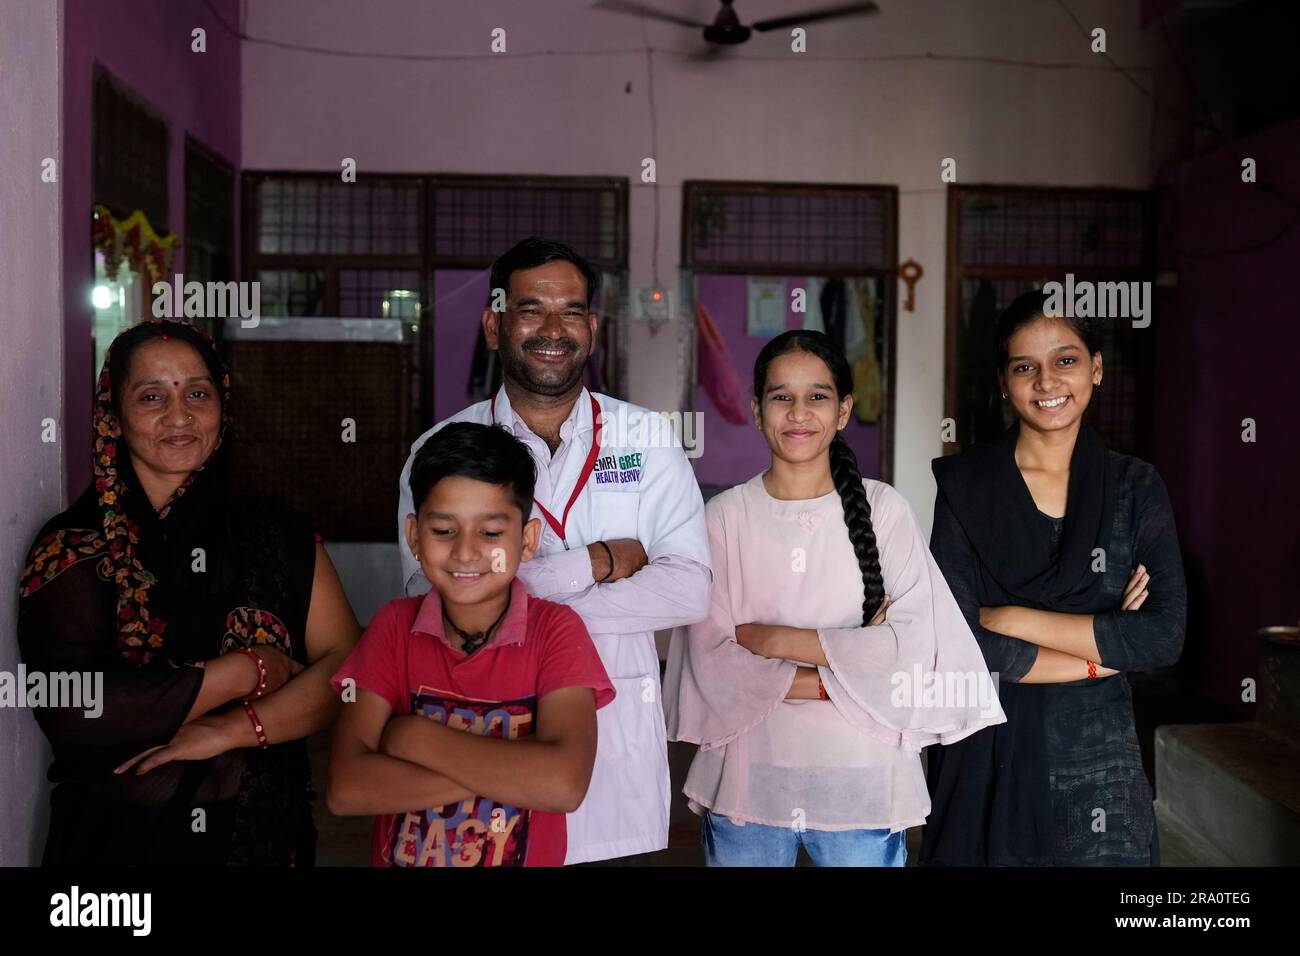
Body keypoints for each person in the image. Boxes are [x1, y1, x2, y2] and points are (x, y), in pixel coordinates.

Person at [396, 237, 711, 864]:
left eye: (570, 311)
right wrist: (598, 562)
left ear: (591, 329)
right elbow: (426, 600)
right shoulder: (441, 447)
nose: (552, 329)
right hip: (479, 745)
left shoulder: (646, 438)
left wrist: (531, 597)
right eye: (530, 308)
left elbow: (688, 589)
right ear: (494, 323)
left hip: (613, 759)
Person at [17, 320, 360, 866]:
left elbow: (350, 672)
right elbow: (71, 708)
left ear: (222, 407)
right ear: (113, 412)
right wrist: (247, 671)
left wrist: (229, 731)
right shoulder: (72, 550)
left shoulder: (278, 535)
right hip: (115, 854)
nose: (179, 417)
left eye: (197, 393)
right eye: (152, 396)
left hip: (261, 839)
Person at [664, 330, 1004, 866]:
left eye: (817, 396)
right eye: (781, 397)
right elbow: (712, 660)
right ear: (756, 411)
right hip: (750, 780)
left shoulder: (885, 509)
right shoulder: (723, 517)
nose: (799, 413)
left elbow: (913, 649)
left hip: (862, 778)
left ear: (844, 410)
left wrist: (777, 640)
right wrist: (851, 666)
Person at [920, 290, 1186, 866]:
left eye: (1065, 360)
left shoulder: (1135, 489)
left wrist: (1013, 617)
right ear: (1003, 380)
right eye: (1025, 367)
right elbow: (959, 643)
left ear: (1094, 367)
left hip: (1098, 757)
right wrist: (1106, 646)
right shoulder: (967, 486)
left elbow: (1163, 636)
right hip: (984, 748)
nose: (1047, 382)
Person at [329, 422, 614, 866]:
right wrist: (517, 774)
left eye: (490, 533)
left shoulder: (556, 631)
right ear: (414, 536)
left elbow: (562, 785)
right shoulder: (393, 627)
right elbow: (347, 788)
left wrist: (414, 739)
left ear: (527, 540)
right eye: (444, 531)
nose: (466, 552)